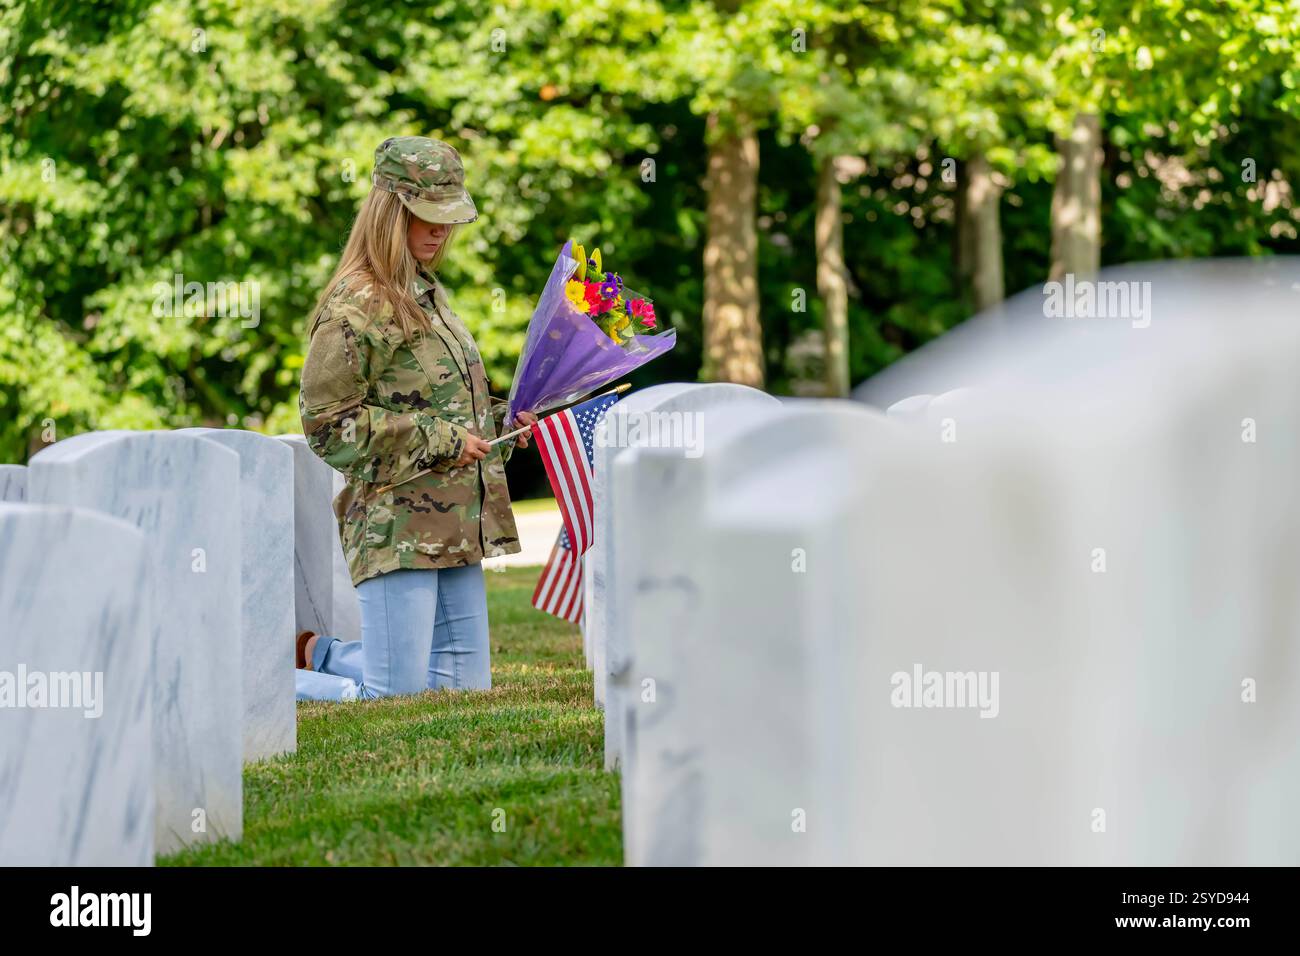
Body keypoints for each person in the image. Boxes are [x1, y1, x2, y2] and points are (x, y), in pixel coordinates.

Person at [293, 136, 537, 701]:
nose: (441, 231)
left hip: (455, 521)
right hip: (395, 522)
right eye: (427, 216)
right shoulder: (356, 304)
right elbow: (326, 425)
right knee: (392, 695)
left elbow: (446, 404)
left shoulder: (425, 293)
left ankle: (321, 655)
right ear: (389, 210)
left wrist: (508, 420)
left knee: (463, 692)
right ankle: (259, 683)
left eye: (449, 218)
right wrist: (443, 438)